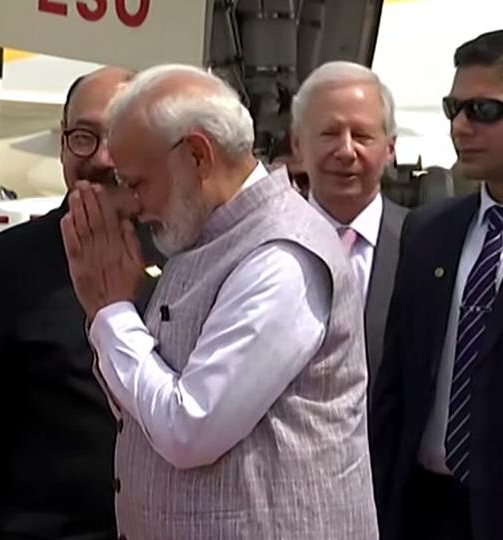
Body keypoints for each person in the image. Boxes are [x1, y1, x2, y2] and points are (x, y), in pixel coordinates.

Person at [61, 64, 377, 539]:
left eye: (139, 183)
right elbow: (139, 410)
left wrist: (111, 313)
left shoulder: (282, 256)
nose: (131, 203)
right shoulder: (201, 234)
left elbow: (190, 429)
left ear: (195, 155)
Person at [0, 66, 164, 540]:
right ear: (63, 146)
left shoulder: (189, 256)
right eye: (84, 137)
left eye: (121, 137)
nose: (103, 157)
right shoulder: (5, 263)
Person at [371, 30, 503, 540]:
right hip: (422, 512)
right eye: (453, 108)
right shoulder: (429, 231)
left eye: (484, 110)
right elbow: (395, 393)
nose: (460, 127)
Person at [292, 60, 408, 393]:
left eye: (362, 135)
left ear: (390, 148)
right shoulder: (263, 243)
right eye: (329, 134)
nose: (345, 151)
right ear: (297, 144)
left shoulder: (423, 246)